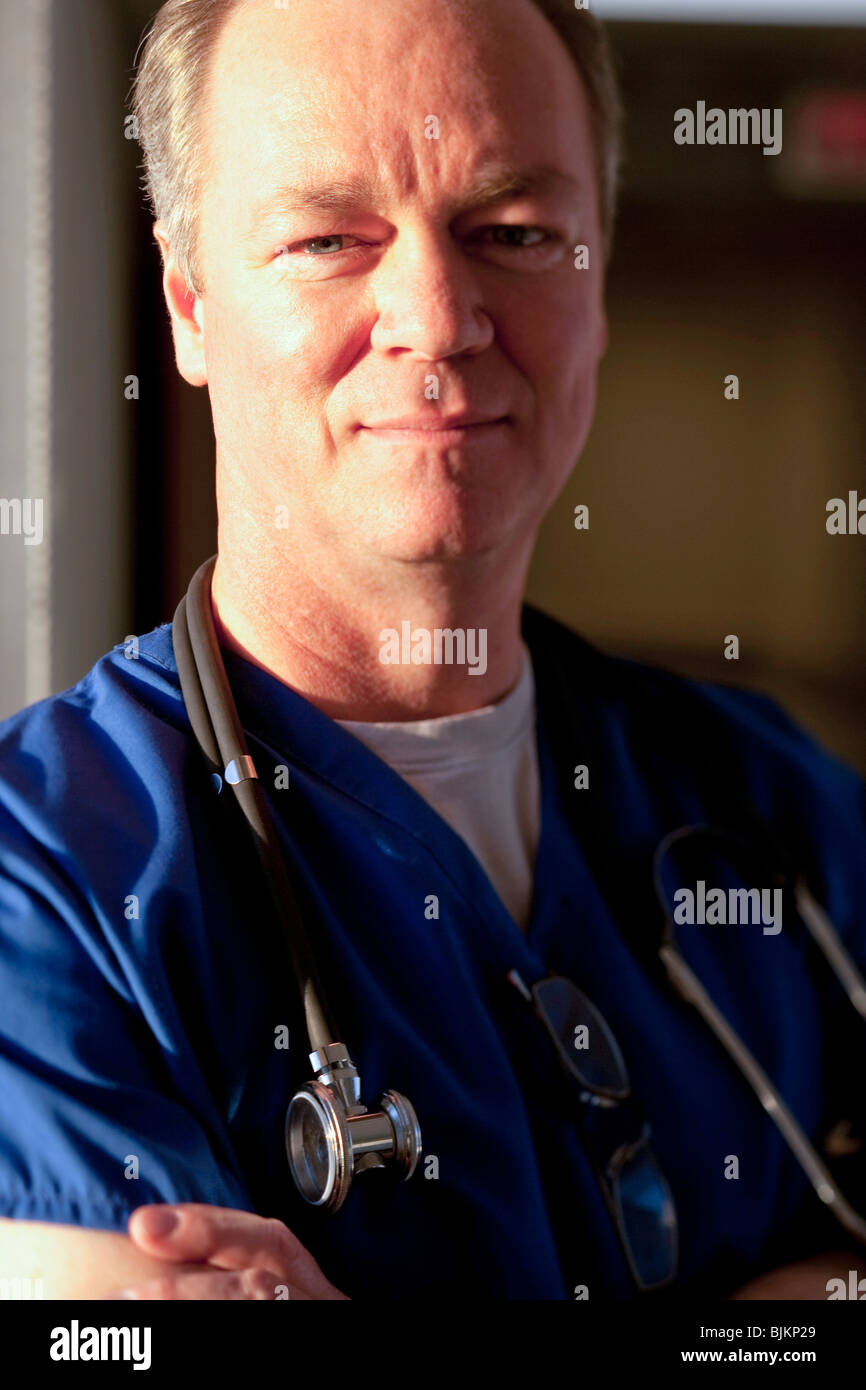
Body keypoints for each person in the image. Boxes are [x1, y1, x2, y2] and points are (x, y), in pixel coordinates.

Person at [0, 0, 865, 1302]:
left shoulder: (769, 802)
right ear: (190, 304)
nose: (438, 316)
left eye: (512, 232)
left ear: (596, 279)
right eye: (326, 240)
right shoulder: (44, 881)